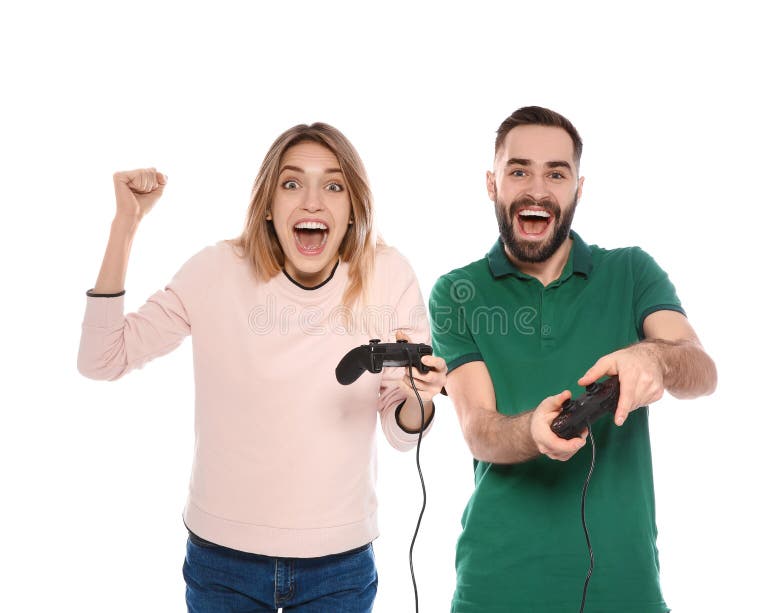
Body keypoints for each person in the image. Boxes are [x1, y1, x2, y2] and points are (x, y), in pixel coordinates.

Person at [77, 122, 446, 612]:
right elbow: (102, 359)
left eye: (333, 186)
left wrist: (419, 397)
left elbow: (403, 431)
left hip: (339, 566)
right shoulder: (215, 270)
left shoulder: (388, 274)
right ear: (268, 206)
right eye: (292, 183)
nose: (312, 202)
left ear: (354, 206)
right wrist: (125, 224)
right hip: (222, 562)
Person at [429, 106, 717, 613]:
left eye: (556, 173)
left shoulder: (630, 271)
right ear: (492, 184)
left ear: (578, 189)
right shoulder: (457, 292)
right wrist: (532, 433)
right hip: (496, 589)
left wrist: (655, 358)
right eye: (519, 171)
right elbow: (478, 428)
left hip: (623, 589)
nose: (537, 190)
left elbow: (701, 370)